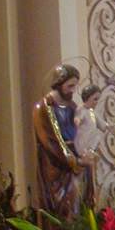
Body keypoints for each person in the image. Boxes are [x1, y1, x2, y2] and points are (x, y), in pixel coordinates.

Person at [33, 64, 83, 221]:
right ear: (59, 84)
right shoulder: (44, 108)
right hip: (55, 166)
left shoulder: (73, 107)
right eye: (70, 86)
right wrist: (72, 160)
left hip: (75, 164)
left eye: (75, 86)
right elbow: (50, 141)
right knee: (59, 211)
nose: (73, 90)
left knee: (77, 206)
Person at [74, 84, 102, 207]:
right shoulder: (82, 110)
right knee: (84, 178)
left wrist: (108, 126)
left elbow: (100, 122)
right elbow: (77, 119)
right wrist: (77, 121)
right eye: (95, 99)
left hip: (91, 145)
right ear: (87, 98)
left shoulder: (91, 112)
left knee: (91, 174)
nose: (96, 102)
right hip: (83, 144)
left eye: (98, 99)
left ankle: (90, 197)